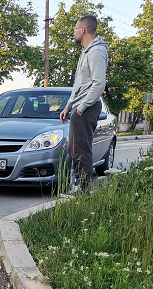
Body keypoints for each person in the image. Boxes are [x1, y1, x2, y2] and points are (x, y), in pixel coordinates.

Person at [59, 15, 109, 190]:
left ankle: (83, 189)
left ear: (83, 30)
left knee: (81, 150)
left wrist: (81, 107)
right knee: (74, 150)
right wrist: (68, 106)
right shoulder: (86, 51)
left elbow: (99, 83)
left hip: (86, 108)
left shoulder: (96, 51)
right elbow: (79, 84)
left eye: (75, 29)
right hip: (80, 107)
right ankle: (79, 186)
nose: (73, 33)